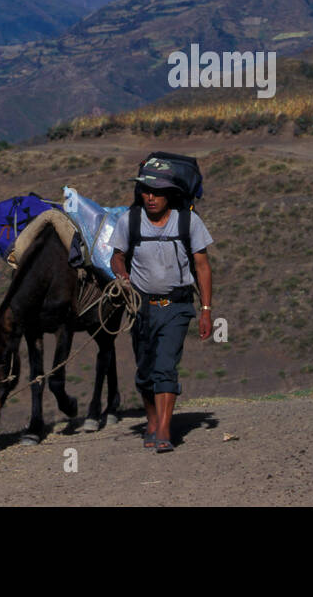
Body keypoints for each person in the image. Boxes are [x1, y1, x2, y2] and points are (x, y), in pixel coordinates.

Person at [110, 170, 213, 453]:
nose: (151, 197)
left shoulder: (188, 222)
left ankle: (164, 430)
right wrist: (122, 276)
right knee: (145, 371)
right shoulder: (128, 221)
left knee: (165, 366)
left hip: (177, 307)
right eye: (145, 191)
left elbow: (202, 266)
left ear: (170, 195)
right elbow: (117, 257)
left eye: (157, 192)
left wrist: (205, 310)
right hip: (141, 308)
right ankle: (152, 420)